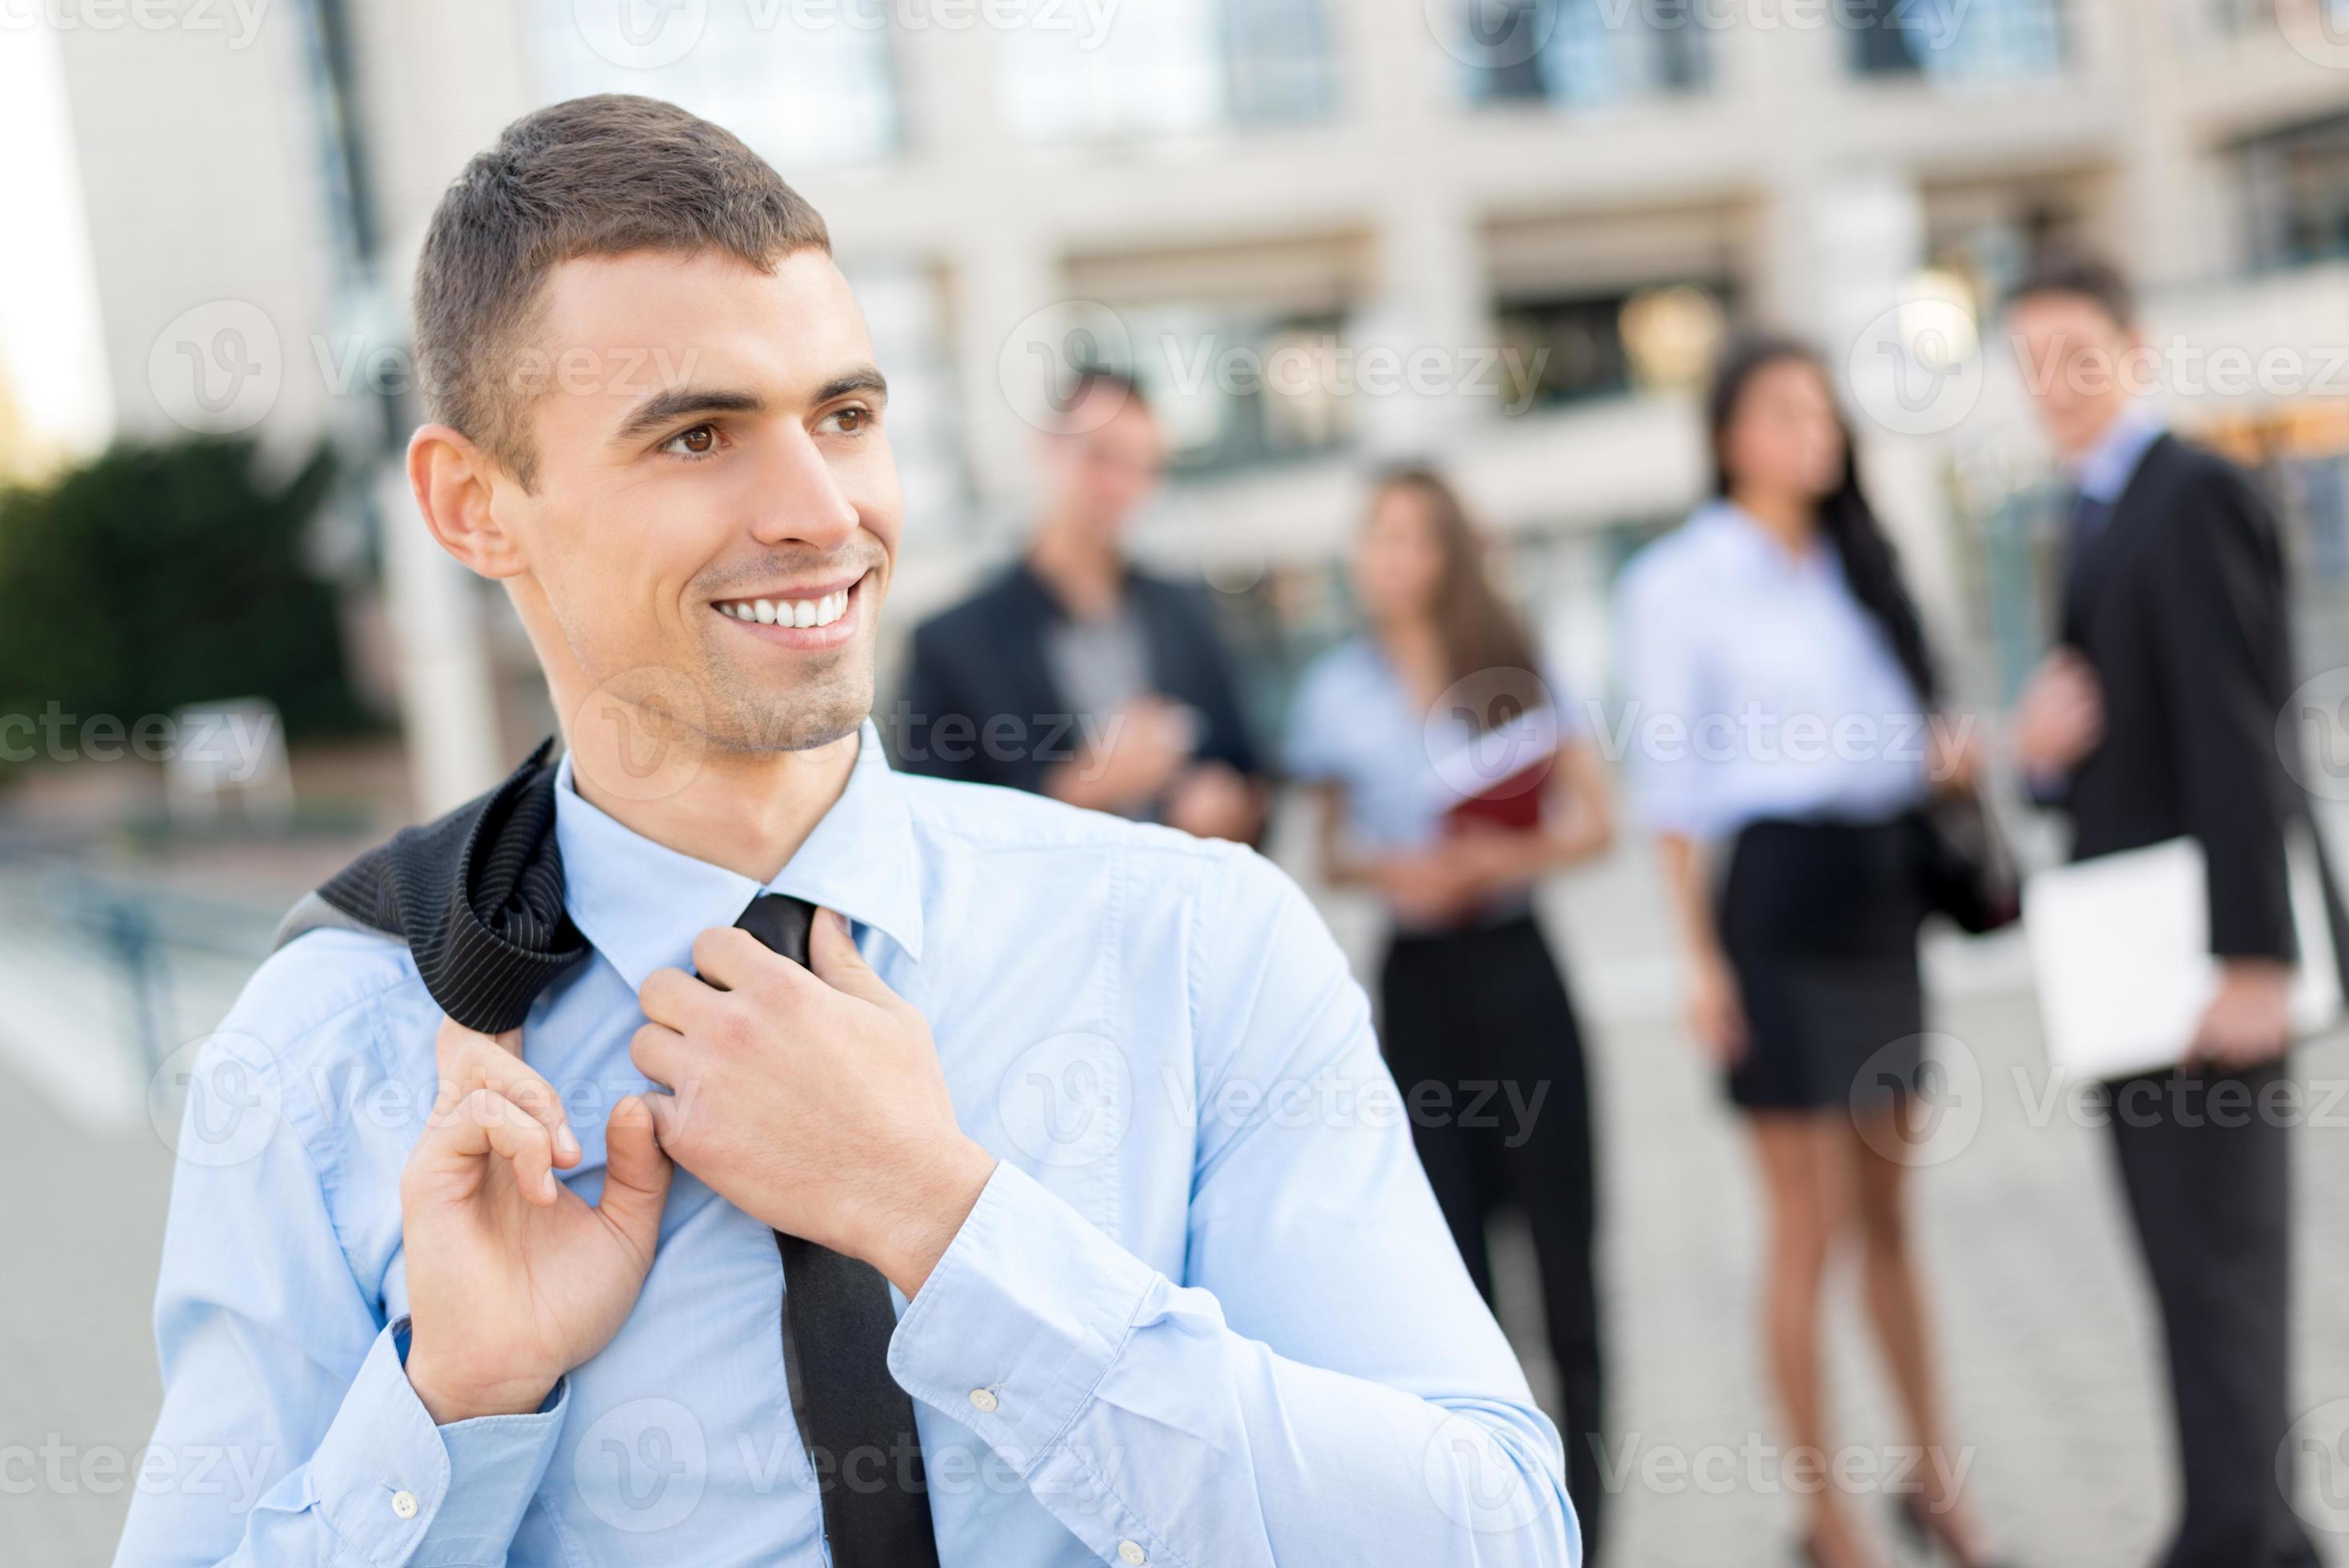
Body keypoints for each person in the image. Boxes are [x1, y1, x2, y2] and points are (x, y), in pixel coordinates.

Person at [114, 96, 1578, 1567]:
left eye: (847, 417)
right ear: (475, 505)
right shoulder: (321, 1055)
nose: (825, 511)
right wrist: (448, 1414)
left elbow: (1493, 1535)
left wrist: (946, 1225)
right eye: (697, 435)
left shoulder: (1199, 945)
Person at [1612, 336, 2003, 1568]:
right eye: (1787, 413)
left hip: (1884, 894)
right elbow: (1669, 789)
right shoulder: (1679, 582)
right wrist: (1697, 959)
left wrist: (1943, 760)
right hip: (1774, 911)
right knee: (1805, 1228)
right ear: (1730, 433)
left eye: (1824, 414)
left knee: (1892, 1216)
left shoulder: (1858, 562)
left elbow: (1899, 728)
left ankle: (1937, 1484)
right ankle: (1825, 1517)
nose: (1815, 435)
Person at [2007, 254, 2335, 1568]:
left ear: (2136, 353)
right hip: (2131, 969)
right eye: (2031, 364)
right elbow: (2113, 736)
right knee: (2186, 1275)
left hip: (2207, 965)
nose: (2056, 386)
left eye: (2079, 354)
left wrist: (2257, 957)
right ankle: (2264, 1534)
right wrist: (2036, 754)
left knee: (2221, 1273)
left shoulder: (2187, 493)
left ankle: (2228, 1536)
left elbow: (2238, 730)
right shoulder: (2089, 514)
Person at [1284, 467, 1616, 1556]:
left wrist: (1500, 856)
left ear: (1447, 554)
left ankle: (1592, 1532)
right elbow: (1327, 850)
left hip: (1522, 972)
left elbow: (1595, 821)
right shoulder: (1334, 689)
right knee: (1453, 1282)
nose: (1389, 560)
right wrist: (1395, 871)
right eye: (1374, 538)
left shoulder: (1509, 672)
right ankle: (1489, 1528)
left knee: (1570, 1270)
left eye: (1412, 539)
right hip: (1418, 990)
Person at [895, 370, 1266, 842]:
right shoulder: (950, 645)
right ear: (1047, 449)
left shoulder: (1188, 612)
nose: (1117, 486)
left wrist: (1228, 805)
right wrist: (1081, 788)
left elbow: (1251, 770)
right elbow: (930, 830)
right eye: (1100, 456)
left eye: (1142, 467)